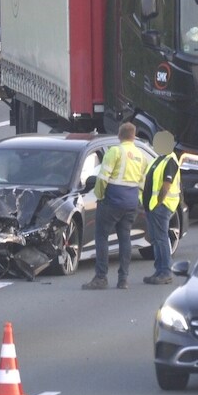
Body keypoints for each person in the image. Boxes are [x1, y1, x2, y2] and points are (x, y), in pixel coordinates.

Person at [83, 122, 151, 290]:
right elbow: (142, 182)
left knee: (101, 236)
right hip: (131, 201)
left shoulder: (115, 152)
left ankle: (101, 277)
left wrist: (99, 196)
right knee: (125, 238)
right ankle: (123, 279)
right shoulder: (140, 156)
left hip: (112, 199)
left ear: (120, 136)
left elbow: (103, 178)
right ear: (134, 136)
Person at [141, 131, 181, 285]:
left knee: (161, 238)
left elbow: (166, 184)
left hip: (162, 206)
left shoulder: (170, 160)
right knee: (157, 239)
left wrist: (159, 202)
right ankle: (159, 271)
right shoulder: (159, 159)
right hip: (153, 206)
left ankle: (165, 271)